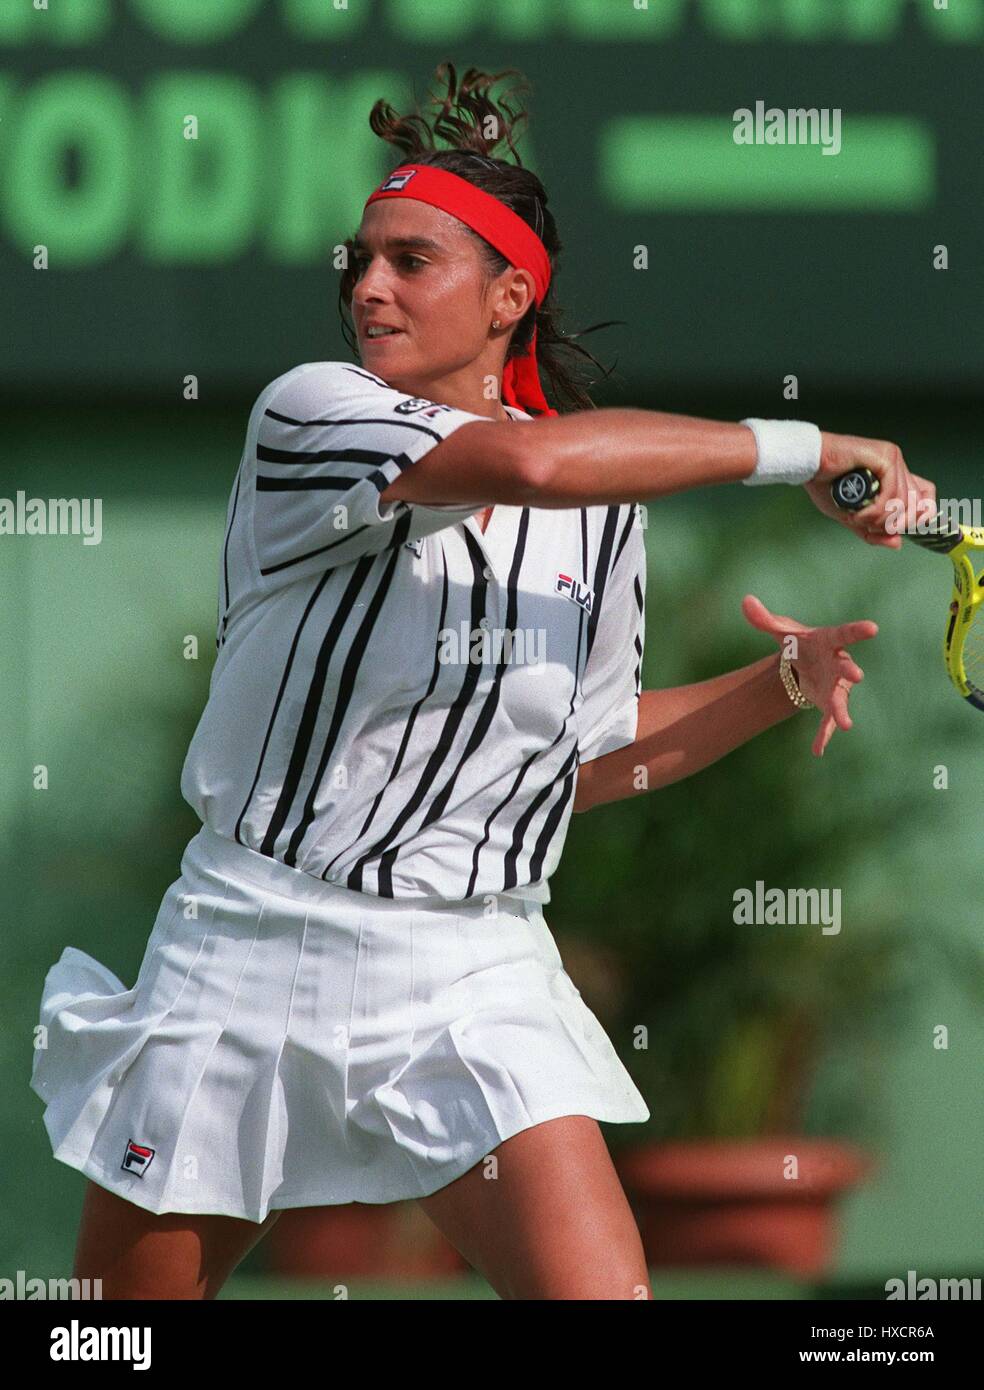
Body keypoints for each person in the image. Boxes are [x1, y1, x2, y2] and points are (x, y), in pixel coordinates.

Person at [31, 64, 935, 1301]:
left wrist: (780, 678)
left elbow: (580, 759)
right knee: (112, 1339)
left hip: (471, 974)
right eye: (360, 259)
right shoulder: (314, 412)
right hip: (244, 947)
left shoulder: (604, 510)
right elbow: (528, 462)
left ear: (511, 293)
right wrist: (810, 452)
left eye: (412, 261)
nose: (367, 285)